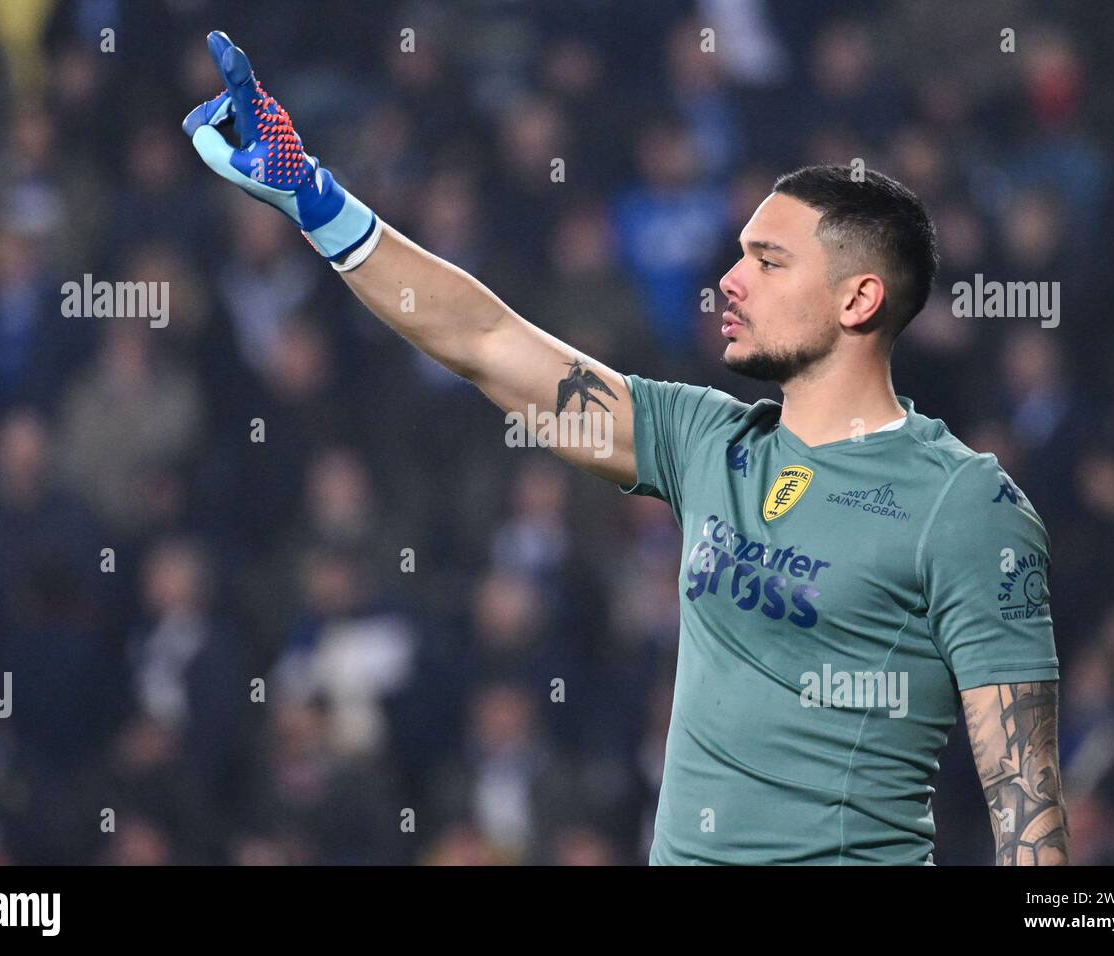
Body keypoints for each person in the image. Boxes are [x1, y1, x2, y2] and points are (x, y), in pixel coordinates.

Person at [183, 31, 1067, 865]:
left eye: (767, 262)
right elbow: (486, 341)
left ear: (858, 299)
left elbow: (1026, 806)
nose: (729, 280)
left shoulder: (964, 505)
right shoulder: (704, 442)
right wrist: (315, 197)